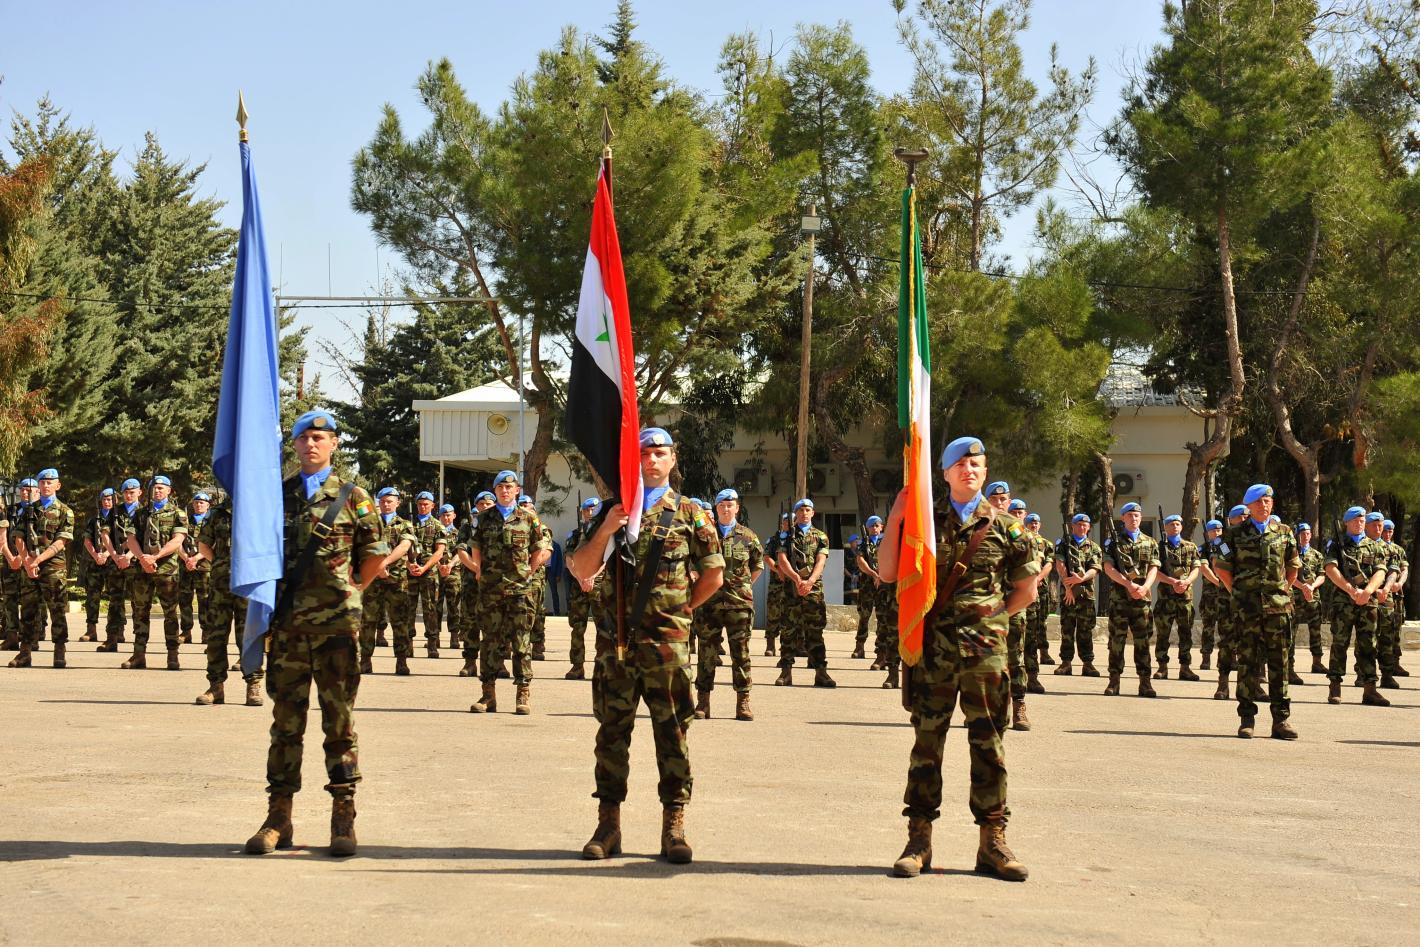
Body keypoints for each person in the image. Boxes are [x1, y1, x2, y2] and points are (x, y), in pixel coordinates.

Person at [878, 435, 1036, 882]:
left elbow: (1026, 589)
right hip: (933, 652)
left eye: (978, 464)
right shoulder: (923, 523)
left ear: (985, 473)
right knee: (927, 744)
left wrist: (993, 619)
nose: (970, 469)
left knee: (989, 745)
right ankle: (919, 839)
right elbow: (889, 572)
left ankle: (992, 842)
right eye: (960, 464)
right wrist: (896, 517)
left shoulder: (1007, 527)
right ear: (944, 473)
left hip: (986, 653)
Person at [568, 427, 724, 864]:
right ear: (631, 460)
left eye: (660, 453)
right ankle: (608, 825)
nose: (651, 460)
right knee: (612, 735)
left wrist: (681, 613)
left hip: (667, 648)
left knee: (672, 734)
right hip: (614, 645)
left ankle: (673, 827)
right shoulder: (609, 510)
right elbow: (581, 567)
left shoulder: (692, 514)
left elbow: (714, 575)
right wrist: (608, 530)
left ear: (673, 460)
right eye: (644, 453)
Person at [245, 410, 388, 858]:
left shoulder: (354, 497)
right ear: (294, 444)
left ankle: (343, 815)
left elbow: (373, 559)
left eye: (320, 437)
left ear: (334, 444)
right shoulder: (275, 495)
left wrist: (346, 593)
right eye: (304, 437)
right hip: (288, 629)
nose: (311, 444)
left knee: (339, 723)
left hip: (337, 631)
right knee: (285, 725)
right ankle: (279, 816)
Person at [1213, 484, 1300, 739]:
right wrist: (1238, 595)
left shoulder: (1284, 532)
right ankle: (1247, 718)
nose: (1265, 505)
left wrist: (1283, 590)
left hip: (1278, 609)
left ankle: (1281, 721)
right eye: (1260, 501)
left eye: (1268, 501)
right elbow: (1223, 569)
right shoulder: (1233, 534)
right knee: (1248, 663)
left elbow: (1293, 566)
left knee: (1279, 664)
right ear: (1249, 506)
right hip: (1247, 609)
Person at [467, 471, 550, 715]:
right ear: (495, 491)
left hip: (519, 589)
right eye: (500, 487)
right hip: (491, 589)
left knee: (521, 641)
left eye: (509, 487)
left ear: (517, 490)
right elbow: (476, 547)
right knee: (490, 641)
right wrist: (479, 570)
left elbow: (538, 548)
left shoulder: (529, 518)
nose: (505, 491)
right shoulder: (483, 518)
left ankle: (523, 694)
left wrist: (529, 572)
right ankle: (487, 695)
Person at [694, 488, 763, 720]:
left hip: (739, 606)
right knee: (706, 653)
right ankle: (703, 702)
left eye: (730, 504)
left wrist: (743, 588)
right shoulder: (705, 534)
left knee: (740, 654)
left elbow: (757, 566)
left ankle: (743, 702)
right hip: (709, 605)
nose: (726, 508)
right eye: (722, 505)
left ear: (737, 508)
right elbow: (694, 563)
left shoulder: (748, 536)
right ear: (716, 508)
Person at [195, 496, 263, 707]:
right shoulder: (216, 512)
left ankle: (253, 685)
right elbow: (203, 544)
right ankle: (216, 686)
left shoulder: (258, 509)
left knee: (249, 637)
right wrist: (219, 562)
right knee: (216, 635)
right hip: (221, 584)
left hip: (249, 584)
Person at [124, 475, 190, 671]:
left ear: (169, 491)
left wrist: (156, 556)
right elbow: (131, 538)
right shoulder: (140, 513)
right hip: (143, 569)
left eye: (162, 488)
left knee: (170, 613)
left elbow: (177, 540)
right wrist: (142, 558)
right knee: (140, 612)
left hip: (167, 570)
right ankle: (138, 654)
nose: (157, 490)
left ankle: (172, 655)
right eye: (154, 487)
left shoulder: (178, 513)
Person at [11, 468, 74, 669]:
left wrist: (37, 561)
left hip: (53, 567)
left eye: (50, 482)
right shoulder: (29, 510)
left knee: (57, 609)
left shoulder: (65, 511)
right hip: (29, 566)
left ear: (58, 485)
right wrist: (27, 561)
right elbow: (18, 537)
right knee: (28, 610)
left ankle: (59, 651)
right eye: (43, 482)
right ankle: (25, 652)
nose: (45, 485)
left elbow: (61, 542)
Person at [774, 498, 836, 688]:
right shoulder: (786, 536)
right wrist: (796, 579)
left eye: (807, 510)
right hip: (792, 589)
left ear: (813, 513)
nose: (804, 513)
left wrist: (809, 581)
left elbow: (821, 561)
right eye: (800, 510)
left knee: (815, 632)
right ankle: (786, 672)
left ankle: (820, 672)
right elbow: (782, 559)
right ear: (796, 513)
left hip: (813, 590)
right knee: (788, 631)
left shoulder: (821, 536)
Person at [1101, 502, 1160, 698]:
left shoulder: (1150, 542)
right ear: (1123, 518)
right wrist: (1128, 585)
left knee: (1143, 641)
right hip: (1120, 599)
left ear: (1141, 518)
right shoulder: (1114, 542)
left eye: (1137, 515)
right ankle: (1114, 681)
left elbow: (1153, 568)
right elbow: (1108, 568)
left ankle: (1145, 682)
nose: (1134, 518)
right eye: (1130, 515)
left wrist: (1144, 587)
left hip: (1142, 599)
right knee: (1117, 640)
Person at [360, 488, 415, 675]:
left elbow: (405, 546)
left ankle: (401, 661)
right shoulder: (369, 523)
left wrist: (384, 563)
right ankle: (365, 660)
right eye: (383, 501)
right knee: (368, 621)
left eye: (390, 501)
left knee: (399, 621)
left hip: (396, 580)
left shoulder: (405, 524)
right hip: (372, 580)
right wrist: (375, 568)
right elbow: (362, 546)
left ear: (397, 503)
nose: (386, 504)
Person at [1153, 514, 1201, 681]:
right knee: (1163, 634)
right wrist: (1171, 581)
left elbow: (1196, 568)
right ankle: (1162, 667)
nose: (1175, 527)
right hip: (1166, 598)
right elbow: (1153, 571)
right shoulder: (1158, 547)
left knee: (1186, 633)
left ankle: (1185, 668)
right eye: (1171, 524)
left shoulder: (1190, 546)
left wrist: (1187, 581)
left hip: (1185, 597)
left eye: (1177, 524)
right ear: (1165, 528)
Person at [1054, 514, 1102, 677]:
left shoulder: (1094, 547)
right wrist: (1068, 587)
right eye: (1079, 524)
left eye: (1085, 525)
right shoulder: (1063, 544)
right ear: (1072, 526)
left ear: (1089, 528)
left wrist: (1081, 578)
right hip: (1068, 595)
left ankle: (1087, 663)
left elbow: (1095, 569)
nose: (1082, 527)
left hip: (1086, 595)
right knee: (1067, 628)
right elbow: (1060, 565)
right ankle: (1066, 663)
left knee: (1085, 630)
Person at [455, 491, 496, 678]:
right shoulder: (467, 527)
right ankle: (470, 662)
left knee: (496, 624)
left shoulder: (503, 524)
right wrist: (476, 568)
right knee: (470, 622)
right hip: (472, 581)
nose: (485, 507)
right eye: (481, 504)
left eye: (488, 504)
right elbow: (462, 550)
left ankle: (498, 663)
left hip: (495, 583)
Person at [563, 497, 602, 680]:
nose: (590, 512)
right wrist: (580, 578)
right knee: (577, 628)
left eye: (594, 509)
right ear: (582, 512)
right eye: (587, 510)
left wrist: (592, 577)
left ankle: (602, 667)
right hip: (579, 586)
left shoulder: (604, 532)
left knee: (604, 629)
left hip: (599, 585)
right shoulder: (575, 534)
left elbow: (607, 559)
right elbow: (569, 559)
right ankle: (577, 666)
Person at [407, 491, 446, 659]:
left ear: (432, 506)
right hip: (409, 572)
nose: (423, 507)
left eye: (426, 504)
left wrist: (424, 568)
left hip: (429, 573)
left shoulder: (438, 526)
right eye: (420, 504)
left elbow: (439, 552)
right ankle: (407, 643)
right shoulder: (408, 524)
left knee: (430, 608)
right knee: (408, 608)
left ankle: (432, 644)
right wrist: (409, 565)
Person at [1021, 513, 1054, 700]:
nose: (1033, 524)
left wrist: (1037, 579)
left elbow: (1050, 563)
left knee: (1034, 633)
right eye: (1030, 522)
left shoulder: (1046, 544)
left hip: (1037, 592)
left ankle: (1032, 677)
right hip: (1017, 592)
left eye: (1036, 522)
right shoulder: (1017, 540)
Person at [80, 488, 118, 643]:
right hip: (95, 563)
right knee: (92, 597)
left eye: (110, 500)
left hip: (113, 562)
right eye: (105, 500)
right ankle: (91, 630)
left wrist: (107, 554)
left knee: (116, 597)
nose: (107, 502)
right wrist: (96, 555)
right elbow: (87, 540)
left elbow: (123, 540)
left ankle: (117, 631)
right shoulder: (94, 519)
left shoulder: (119, 518)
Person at [1292, 523, 1327, 675]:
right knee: (1291, 631)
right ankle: (1289, 666)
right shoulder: (1292, 554)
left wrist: (1311, 588)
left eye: (1307, 533)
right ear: (1297, 535)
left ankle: (1317, 663)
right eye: (1302, 533)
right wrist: (1302, 587)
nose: (1305, 536)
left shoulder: (1317, 555)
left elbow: (1322, 575)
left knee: (1316, 630)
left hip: (1313, 597)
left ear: (1311, 535)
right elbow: (1288, 575)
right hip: (1295, 597)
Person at [178, 491, 213, 645]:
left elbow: (214, 543)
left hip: (204, 566)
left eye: (202, 503)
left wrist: (196, 558)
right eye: (196, 502)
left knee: (204, 600)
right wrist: (186, 558)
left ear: (208, 505)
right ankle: (186, 632)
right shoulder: (185, 521)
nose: (199, 505)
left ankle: (206, 632)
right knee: (185, 599)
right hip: (186, 566)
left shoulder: (211, 521)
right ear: (192, 505)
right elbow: (177, 540)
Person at [1377, 518, 1407, 687]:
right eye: (1385, 530)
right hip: (1378, 594)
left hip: (1395, 597)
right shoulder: (1375, 546)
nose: (1387, 533)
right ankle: (1362, 671)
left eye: (1390, 531)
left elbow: (1404, 569)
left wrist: (1399, 584)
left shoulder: (1398, 549)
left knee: (1393, 631)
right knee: (1371, 633)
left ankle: (1393, 665)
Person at [762, 513, 791, 656]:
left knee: (793, 616)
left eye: (791, 521)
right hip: (777, 583)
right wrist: (780, 570)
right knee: (773, 614)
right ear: (781, 523)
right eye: (786, 521)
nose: (789, 523)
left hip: (794, 584)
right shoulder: (774, 540)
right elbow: (767, 557)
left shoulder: (796, 539)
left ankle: (795, 645)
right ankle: (770, 645)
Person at [856, 517, 884, 663]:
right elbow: (860, 561)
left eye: (876, 525)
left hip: (882, 585)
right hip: (867, 584)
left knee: (882, 617)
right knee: (864, 616)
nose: (874, 528)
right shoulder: (863, 544)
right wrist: (873, 574)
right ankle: (859, 647)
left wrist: (881, 574)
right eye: (871, 526)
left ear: (881, 527)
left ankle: (881, 650)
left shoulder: (886, 542)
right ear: (867, 528)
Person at [1197, 519, 1225, 671]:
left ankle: (1228, 658)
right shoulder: (1203, 548)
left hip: (1225, 594)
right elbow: (1204, 568)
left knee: (1226, 627)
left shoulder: (1226, 547)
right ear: (1207, 533)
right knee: (1208, 626)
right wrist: (1218, 582)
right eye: (1213, 530)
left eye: (1219, 530)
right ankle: (1206, 658)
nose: (1216, 533)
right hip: (1210, 594)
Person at [436, 504, 462, 651]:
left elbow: (461, 552)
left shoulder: (459, 534)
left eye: (448, 515)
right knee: (435, 606)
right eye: (443, 515)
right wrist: (439, 566)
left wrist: (450, 565)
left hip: (454, 573)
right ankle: (435, 637)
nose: (446, 518)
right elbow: (431, 551)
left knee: (454, 606)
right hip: (437, 573)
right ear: (439, 517)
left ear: (454, 516)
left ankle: (454, 636)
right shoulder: (436, 532)